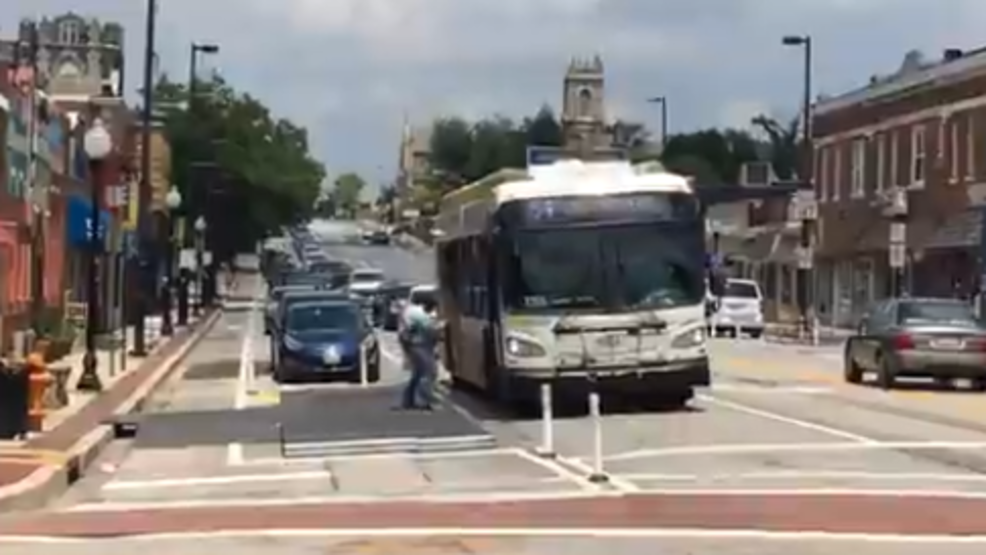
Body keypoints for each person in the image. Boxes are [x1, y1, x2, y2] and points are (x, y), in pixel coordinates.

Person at [396, 298, 441, 411]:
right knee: (429, 372)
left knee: (418, 374)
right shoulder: (419, 314)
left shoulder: (411, 311)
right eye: (435, 309)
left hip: (413, 345)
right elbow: (429, 329)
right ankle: (428, 401)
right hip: (418, 345)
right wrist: (439, 327)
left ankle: (408, 401)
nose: (435, 313)